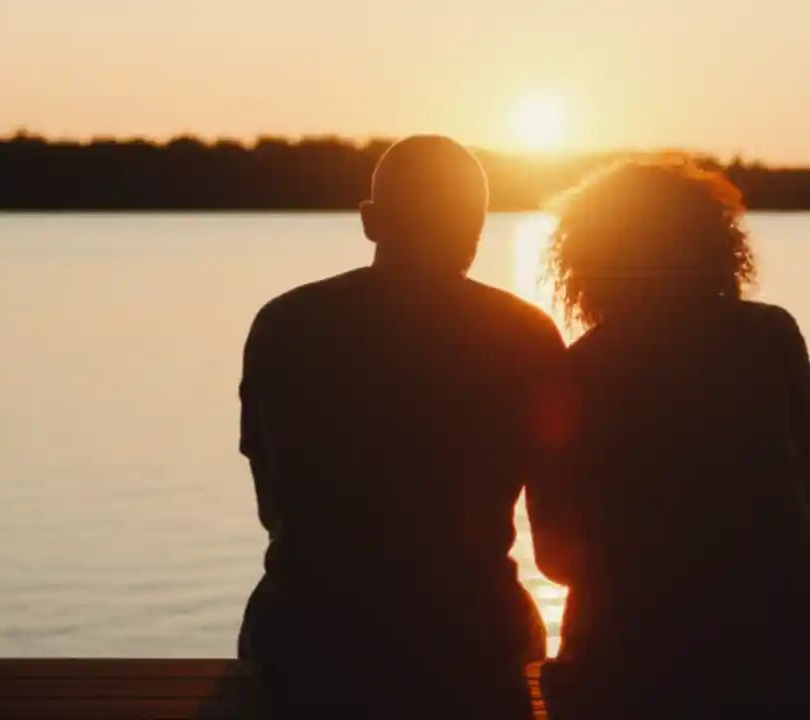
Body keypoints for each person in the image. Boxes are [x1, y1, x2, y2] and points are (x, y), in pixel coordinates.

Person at [529, 158, 810, 717]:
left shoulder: (575, 369)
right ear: (712, 247)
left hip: (630, 662)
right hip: (789, 647)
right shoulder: (771, 336)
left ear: (589, 260)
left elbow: (553, 558)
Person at [236, 135, 565, 717]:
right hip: (469, 641)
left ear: (370, 221)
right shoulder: (524, 334)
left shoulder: (285, 325)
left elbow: (272, 504)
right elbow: (558, 545)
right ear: (476, 226)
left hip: (307, 637)